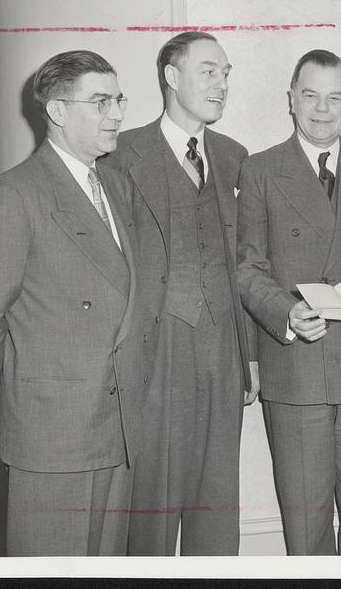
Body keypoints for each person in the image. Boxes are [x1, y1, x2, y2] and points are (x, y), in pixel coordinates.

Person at [0, 50, 145, 556]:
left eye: (119, 99)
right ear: (58, 111)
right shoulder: (13, 195)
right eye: (101, 101)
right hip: (52, 434)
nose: (118, 114)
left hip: (117, 427)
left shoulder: (115, 184)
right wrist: (27, 394)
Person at [101, 31, 257, 556]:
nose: (222, 84)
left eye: (226, 73)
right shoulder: (121, 156)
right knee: (149, 514)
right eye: (209, 71)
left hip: (223, 356)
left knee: (217, 510)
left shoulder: (237, 159)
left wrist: (248, 360)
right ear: (171, 75)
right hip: (154, 357)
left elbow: (247, 267)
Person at [237, 49, 341, 555]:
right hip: (296, 370)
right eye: (310, 95)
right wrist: (286, 312)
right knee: (306, 530)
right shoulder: (259, 170)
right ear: (291, 100)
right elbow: (247, 266)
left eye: (334, 97)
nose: (322, 109)